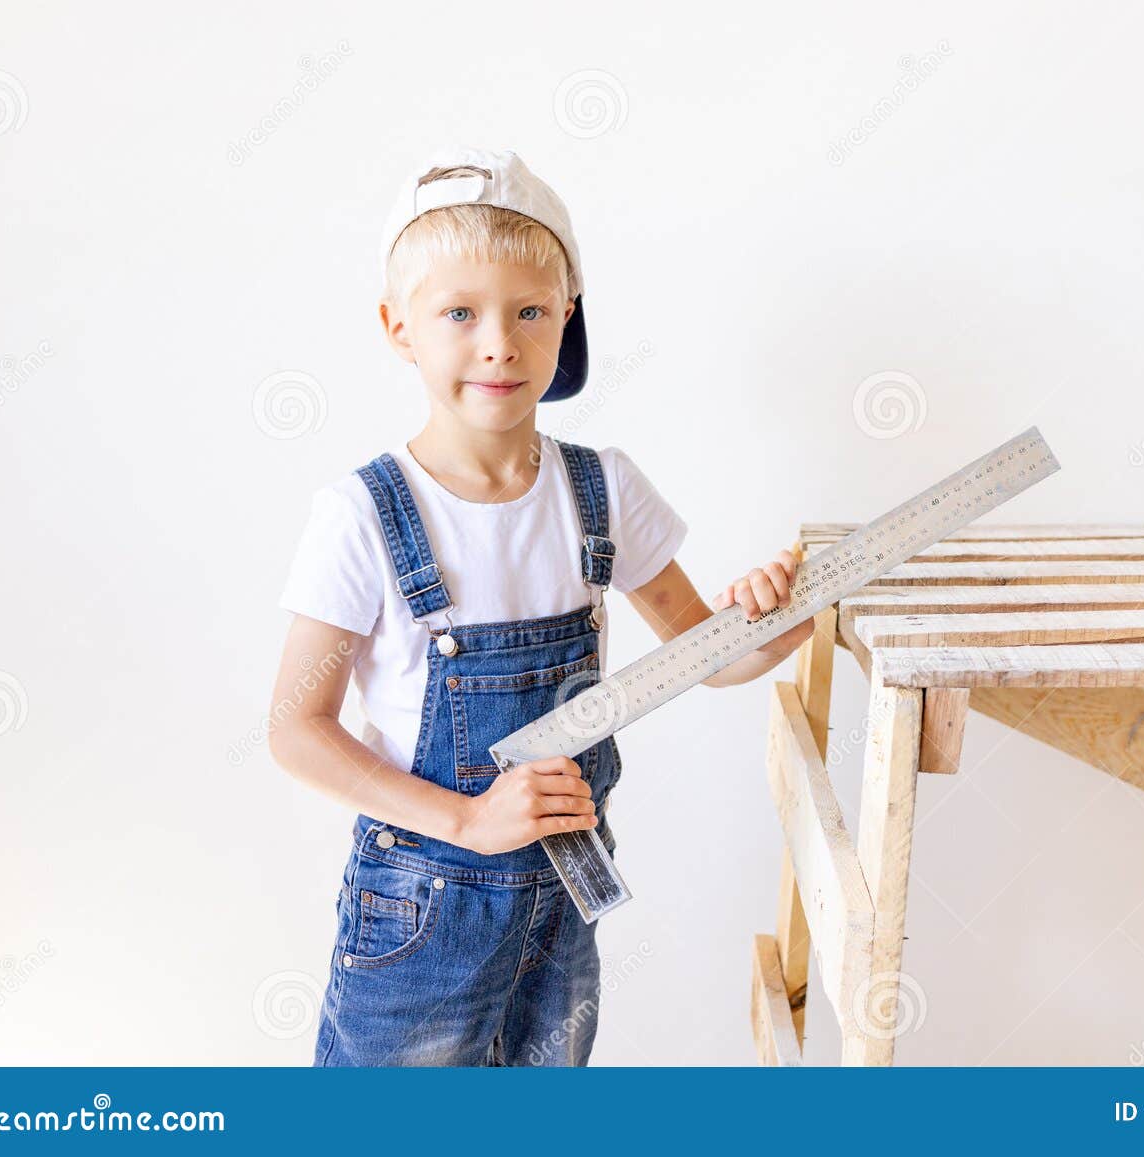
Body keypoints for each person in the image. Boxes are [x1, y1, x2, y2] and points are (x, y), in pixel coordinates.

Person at [268, 146, 813, 1066]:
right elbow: (295, 728)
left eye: (529, 311)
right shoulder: (362, 515)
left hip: (563, 902)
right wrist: (471, 820)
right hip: (422, 908)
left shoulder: (601, 490)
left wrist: (776, 614)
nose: (499, 343)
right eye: (459, 313)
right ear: (398, 327)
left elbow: (714, 657)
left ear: (567, 316)